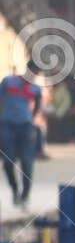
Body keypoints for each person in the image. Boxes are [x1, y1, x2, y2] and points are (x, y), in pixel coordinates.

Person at [1, 62, 43, 206]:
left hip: (25, 127)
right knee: (8, 162)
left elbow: (37, 106)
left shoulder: (36, 89)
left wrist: (30, 118)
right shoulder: (8, 82)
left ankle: (25, 195)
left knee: (27, 163)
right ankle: (15, 190)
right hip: (7, 126)